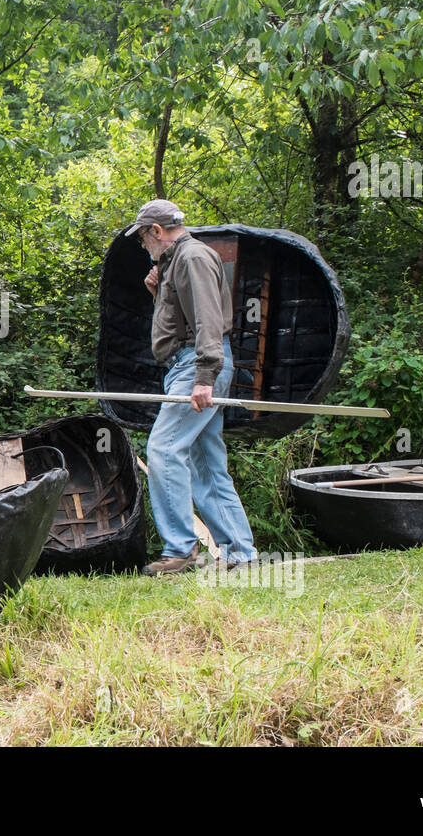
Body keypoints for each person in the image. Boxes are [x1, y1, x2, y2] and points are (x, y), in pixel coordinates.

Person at [125, 199, 259, 575]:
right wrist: (157, 292)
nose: (142, 245)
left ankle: (180, 549)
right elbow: (183, 320)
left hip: (196, 366)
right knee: (205, 464)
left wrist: (205, 376)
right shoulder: (176, 263)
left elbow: (208, 321)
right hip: (188, 365)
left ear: (157, 231)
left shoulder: (192, 257)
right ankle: (240, 553)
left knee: (163, 448)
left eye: (142, 237)